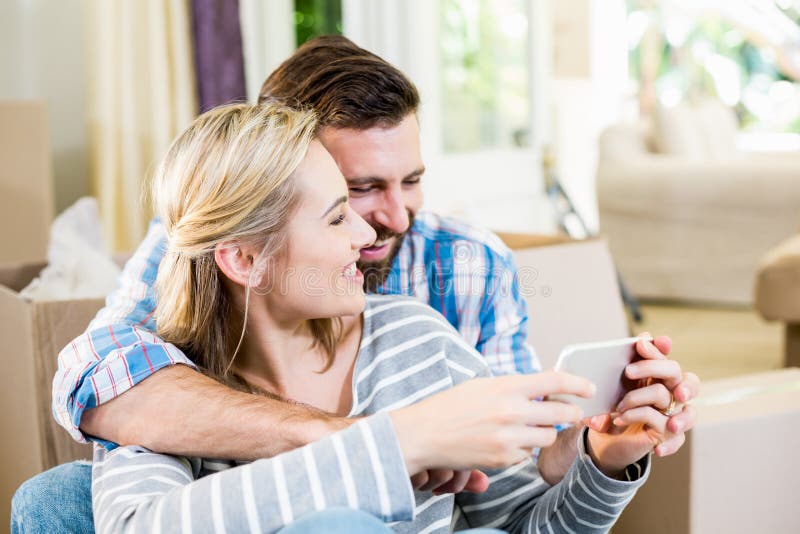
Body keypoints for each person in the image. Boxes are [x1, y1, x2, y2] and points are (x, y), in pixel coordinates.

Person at [12, 36, 699, 532]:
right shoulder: (168, 371)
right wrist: (396, 439)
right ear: (242, 256)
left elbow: (512, 503)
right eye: (349, 198)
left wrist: (595, 460)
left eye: (412, 180)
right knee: (55, 498)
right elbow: (97, 379)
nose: (379, 228)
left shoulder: (422, 331)